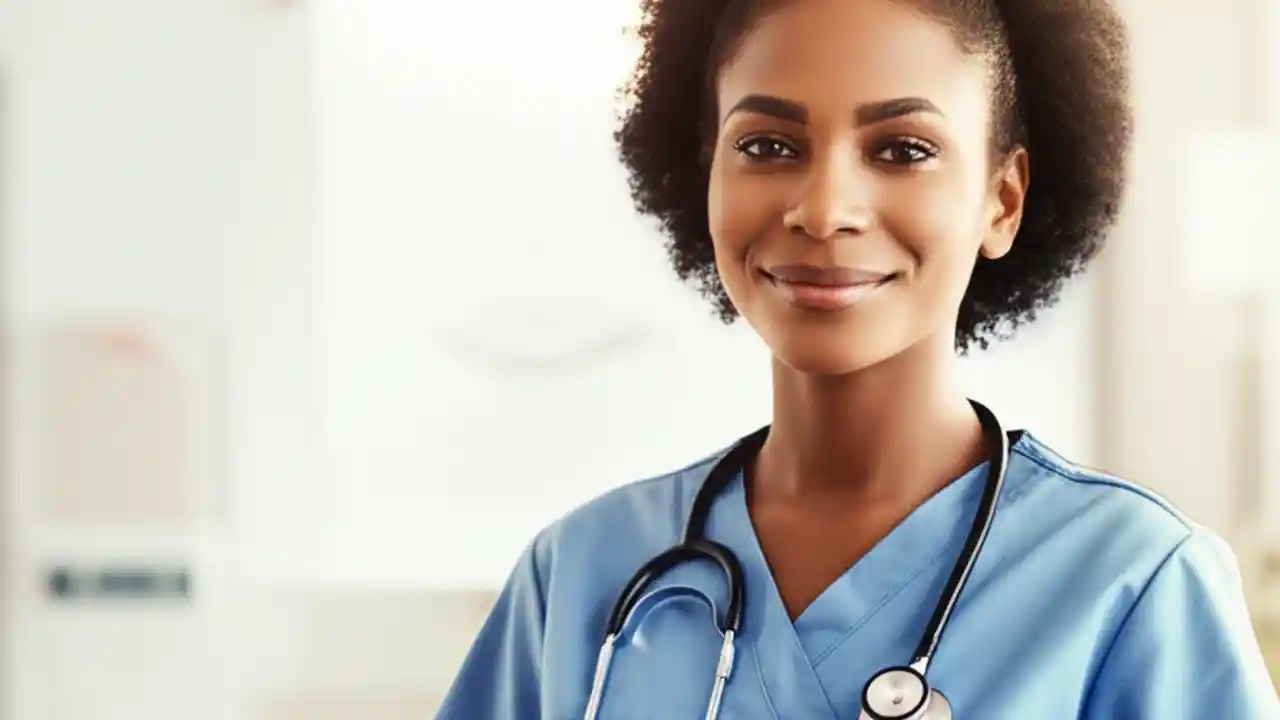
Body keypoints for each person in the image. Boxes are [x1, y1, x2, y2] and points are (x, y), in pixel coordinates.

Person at [437, 0, 1280, 717]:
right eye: (767, 146)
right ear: (707, 176)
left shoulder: (1135, 584)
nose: (825, 207)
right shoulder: (581, 576)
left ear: (1003, 200)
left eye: (902, 149)